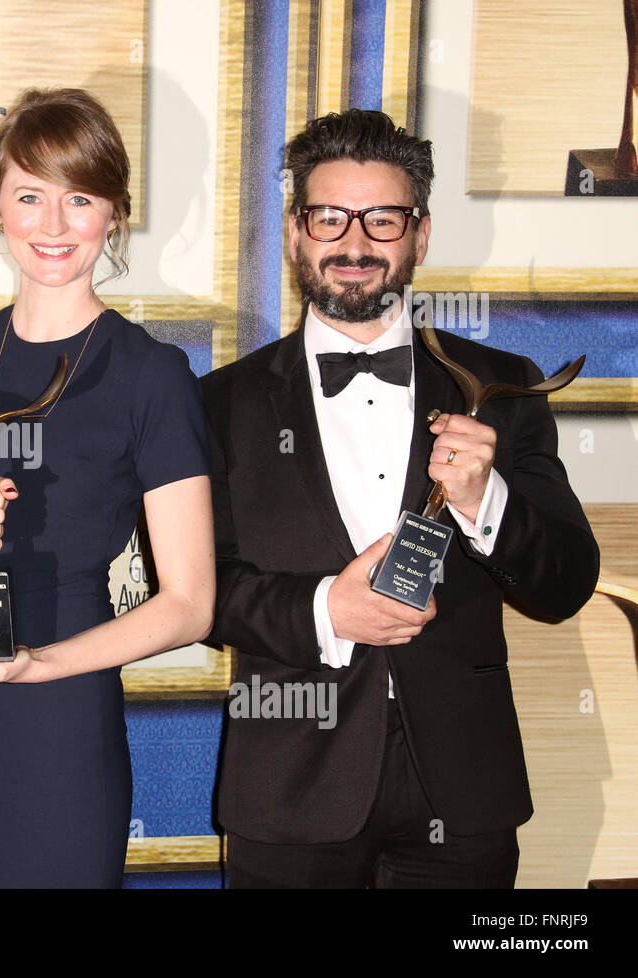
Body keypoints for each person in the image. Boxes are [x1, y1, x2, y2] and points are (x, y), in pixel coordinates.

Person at [201, 109, 599, 888]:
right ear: (294, 232)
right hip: (289, 791)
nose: (354, 244)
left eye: (382, 219)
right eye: (330, 217)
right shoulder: (218, 404)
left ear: (420, 235)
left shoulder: (501, 385)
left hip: (464, 790)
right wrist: (325, 610)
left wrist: (490, 504)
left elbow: (567, 585)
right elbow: (193, 590)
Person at [0, 88, 215, 888]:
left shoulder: (150, 376)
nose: (54, 226)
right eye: (30, 195)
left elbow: (190, 603)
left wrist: (35, 665)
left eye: (80, 199)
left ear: (115, 212)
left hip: (59, 720)